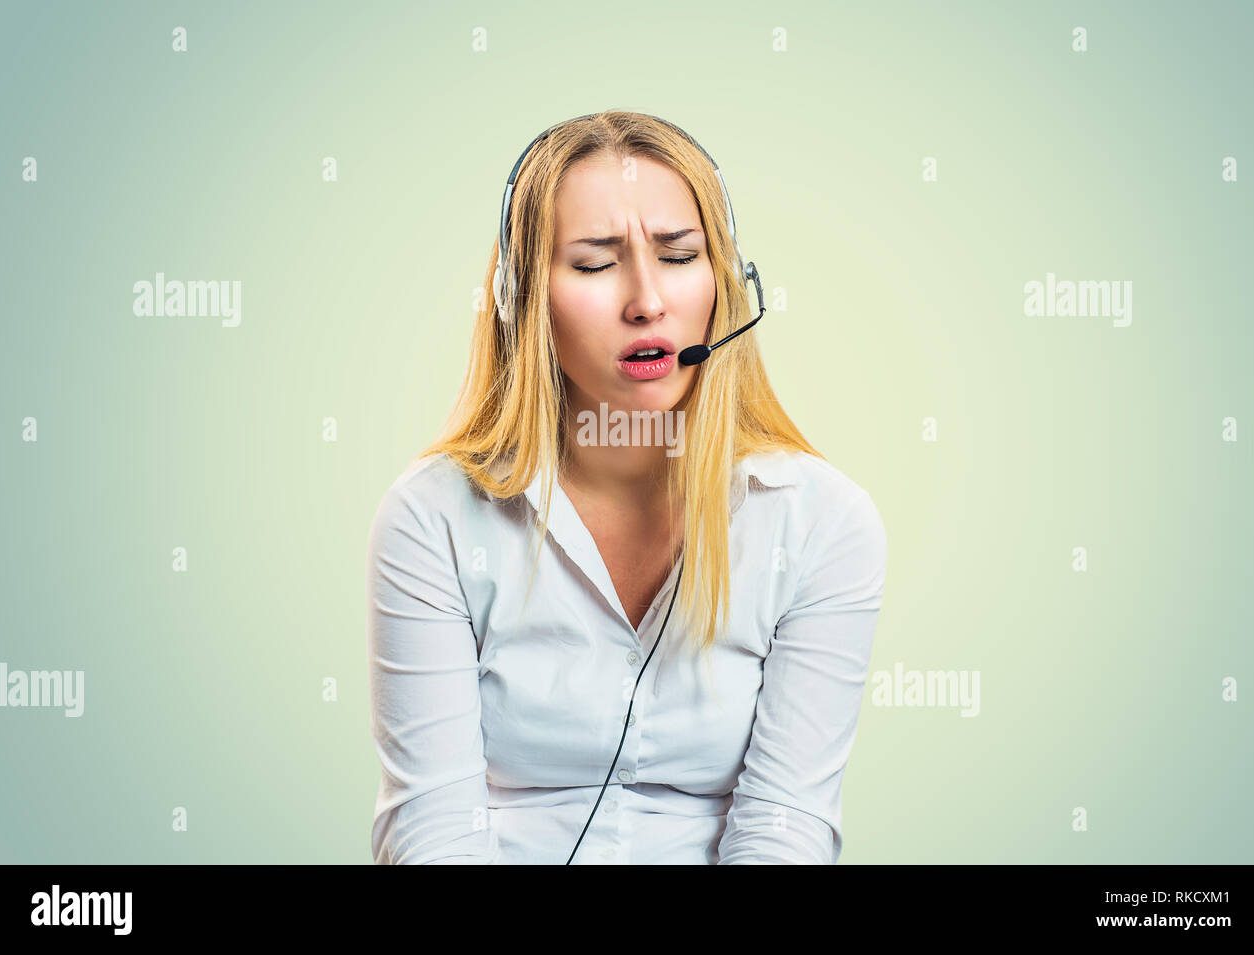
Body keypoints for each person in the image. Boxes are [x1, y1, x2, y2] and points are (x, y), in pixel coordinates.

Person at [366, 110, 887, 864]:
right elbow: (432, 830)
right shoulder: (431, 517)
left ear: (727, 284)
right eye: (593, 264)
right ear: (523, 296)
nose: (647, 300)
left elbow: (786, 825)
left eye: (678, 255)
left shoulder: (822, 522)